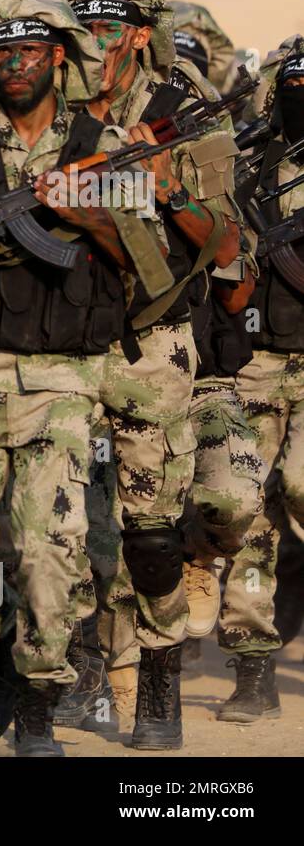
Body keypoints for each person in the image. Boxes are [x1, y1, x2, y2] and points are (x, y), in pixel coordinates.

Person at [0, 0, 147, 756]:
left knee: (50, 549)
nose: (14, 62)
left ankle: (39, 705)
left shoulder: (103, 149)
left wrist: (85, 215)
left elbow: (140, 264)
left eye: (29, 49)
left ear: (58, 56)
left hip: (64, 378)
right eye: (1, 50)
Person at [54, 0, 243, 749]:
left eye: (104, 29)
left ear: (136, 36)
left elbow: (227, 244)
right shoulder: (39, 113)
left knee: (151, 532)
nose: (88, 46)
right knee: (62, 526)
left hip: (150, 346)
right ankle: (84, 672)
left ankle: (159, 682)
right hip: (58, 340)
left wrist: (166, 189)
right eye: (77, 29)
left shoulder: (186, 120)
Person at [224, 35, 304, 722]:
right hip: (257, 360)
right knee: (248, 511)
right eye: (296, 84)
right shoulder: (249, 161)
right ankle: (252, 665)